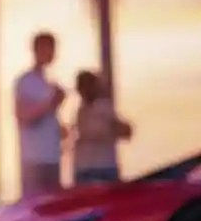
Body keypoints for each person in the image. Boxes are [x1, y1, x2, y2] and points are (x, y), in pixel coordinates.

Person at [14, 32, 66, 199]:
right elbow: (24, 117)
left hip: (52, 156)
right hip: (34, 159)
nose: (52, 54)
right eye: (49, 48)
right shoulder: (25, 81)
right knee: (34, 207)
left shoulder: (48, 82)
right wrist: (52, 102)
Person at [71, 70, 132, 185]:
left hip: (102, 167)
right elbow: (92, 132)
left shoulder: (103, 107)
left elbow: (124, 131)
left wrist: (115, 129)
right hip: (88, 168)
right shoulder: (82, 111)